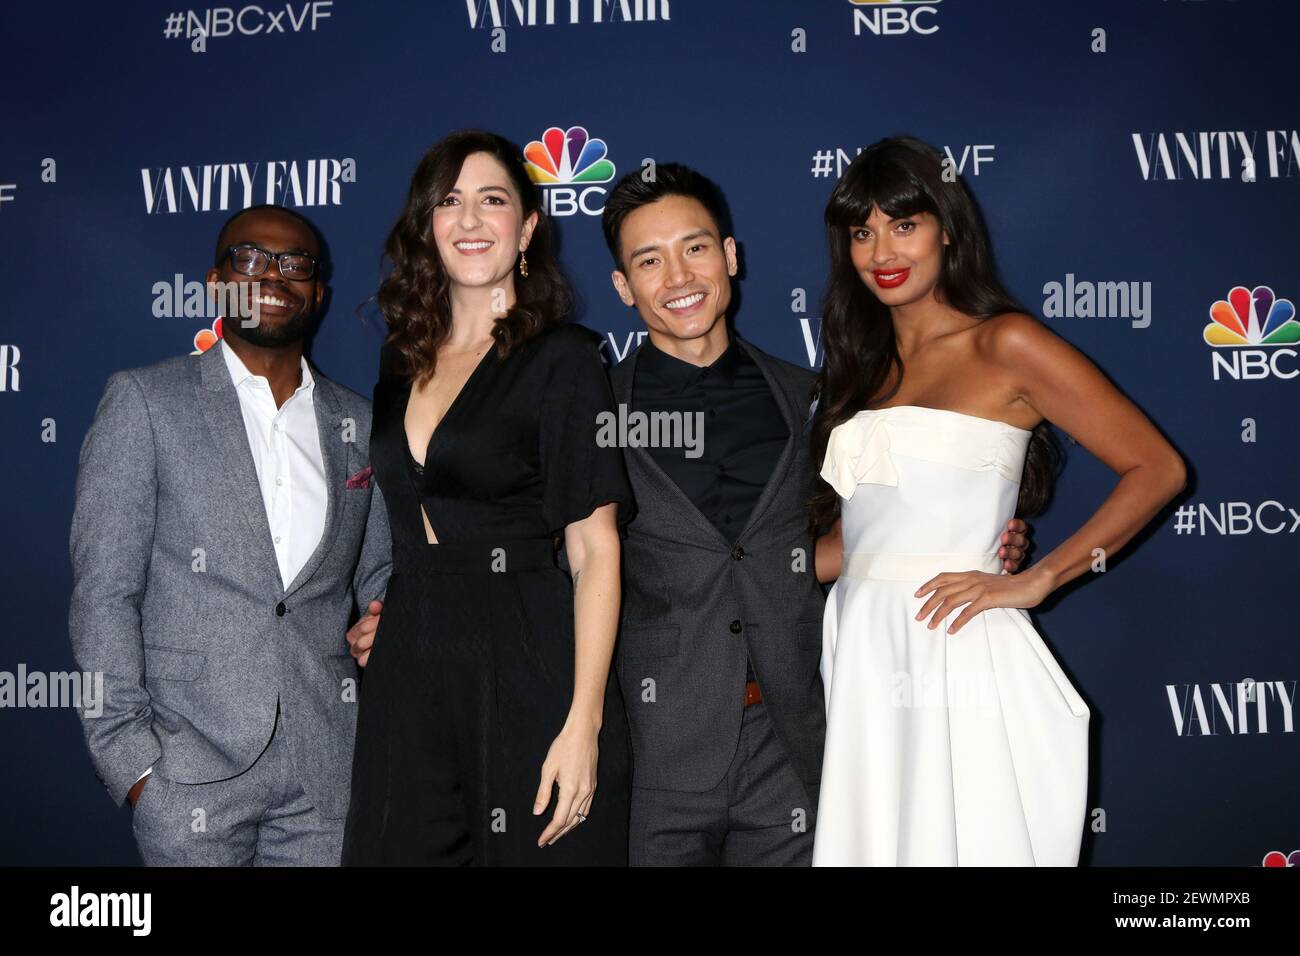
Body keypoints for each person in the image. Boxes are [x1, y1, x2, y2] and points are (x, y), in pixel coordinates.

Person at [599, 163, 1032, 865]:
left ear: (731, 256)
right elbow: (551, 568)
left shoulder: (814, 399)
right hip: (655, 755)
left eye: (696, 247)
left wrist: (982, 541)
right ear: (623, 286)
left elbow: (868, 527)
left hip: (794, 743)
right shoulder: (592, 413)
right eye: (649, 260)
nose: (678, 275)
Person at [810, 136, 1187, 866]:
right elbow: (854, 545)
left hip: (955, 645)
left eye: (904, 223)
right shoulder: (860, 367)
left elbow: (1158, 468)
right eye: (863, 231)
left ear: (947, 228)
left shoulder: (1006, 344)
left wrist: (1038, 578)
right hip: (860, 648)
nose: (882, 248)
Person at [341, 130, 635, 865]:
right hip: (409, 671)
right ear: (427, 226)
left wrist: (583, 723)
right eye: (450, 201)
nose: (470, 220)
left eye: (493, 200)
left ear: (528, 227)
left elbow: (594, 549)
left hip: (531, 662)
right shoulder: (399, 359)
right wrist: (390, 611)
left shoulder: (565, 359)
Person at [68, 204, 393, 865]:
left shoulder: (359, 425)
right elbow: (104, 594)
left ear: (318, 292)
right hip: (187, 772)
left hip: (325, 775)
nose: (272, 275)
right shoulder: (146, 402)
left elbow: (382, 576)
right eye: (249, 258)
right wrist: (133, 767)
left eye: (294, 263)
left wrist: (393, 614)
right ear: (217, 282)